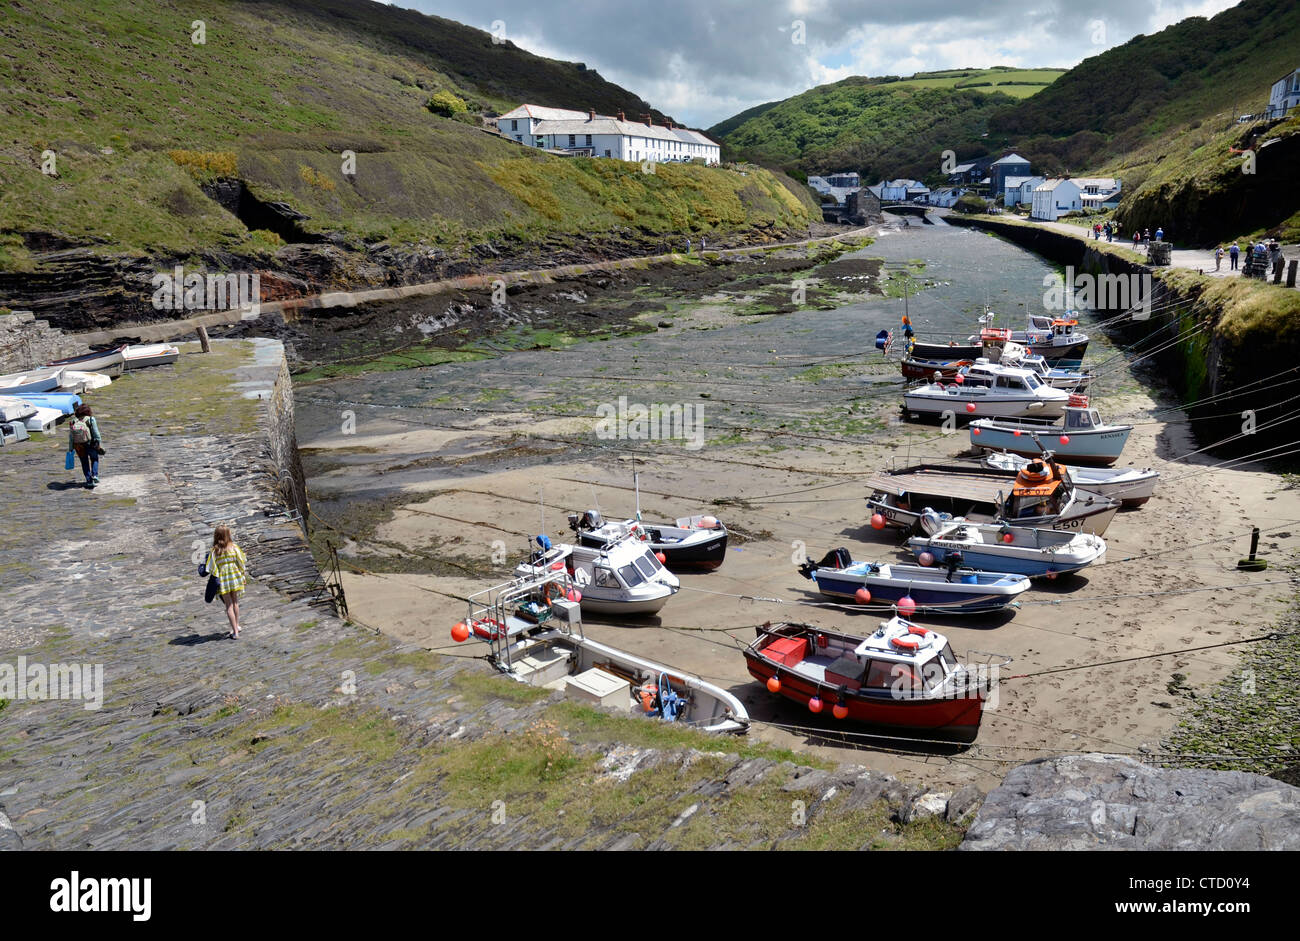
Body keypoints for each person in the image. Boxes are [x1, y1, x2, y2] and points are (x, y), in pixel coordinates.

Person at [205, 525, 247, 639]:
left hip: (223, 579)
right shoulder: (234, 547)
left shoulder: (214, 551)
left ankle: (235, 632)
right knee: (235, 603)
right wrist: (242, 575)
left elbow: (211, 568)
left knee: (228, 606)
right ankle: (237, 625)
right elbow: (241, 562)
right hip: (235, 577)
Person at [66, 404, 103, 489]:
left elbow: (71, 436)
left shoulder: (73, 421)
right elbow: (96, 432)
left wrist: (71, 448)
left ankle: (89, 481)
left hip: (78, 445)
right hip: (90, 443)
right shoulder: (90, 419)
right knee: (94, 458)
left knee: (84, 462)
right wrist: (98, 441)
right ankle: (94, 475)